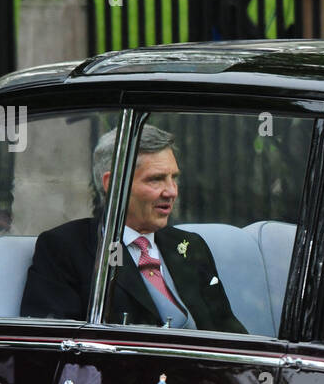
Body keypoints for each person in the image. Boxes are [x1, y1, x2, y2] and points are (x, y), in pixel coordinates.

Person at [20, 124, 246, 333]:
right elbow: (52, 346)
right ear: (113, 184)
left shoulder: (189, 245)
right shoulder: (66, 248)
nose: (171, 191)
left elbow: (230, 331)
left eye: (173, 178)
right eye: (156, 179)